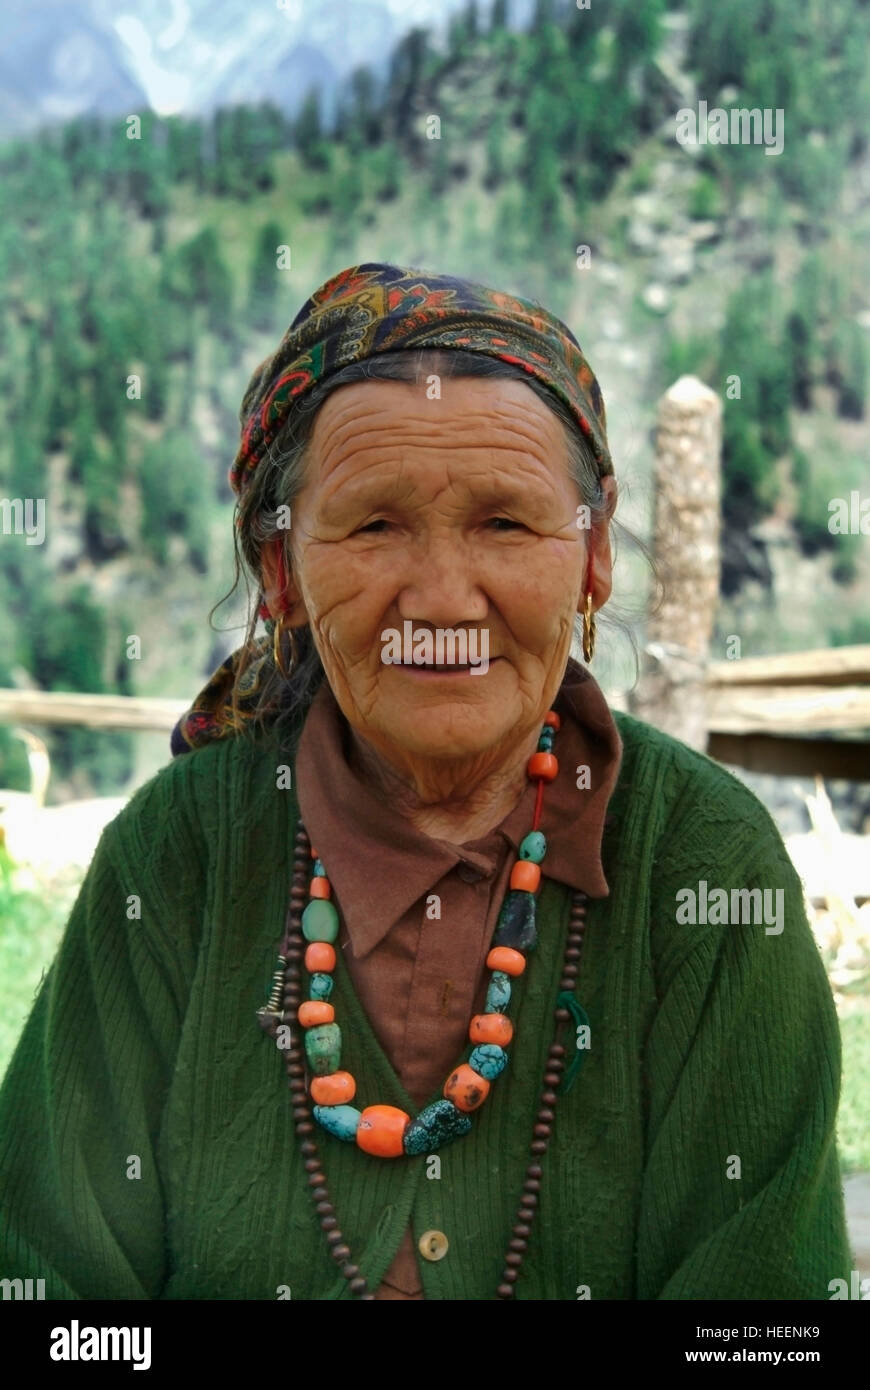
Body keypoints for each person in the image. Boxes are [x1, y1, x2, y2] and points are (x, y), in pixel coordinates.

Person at [0, 262, 852, 1300]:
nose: (443, 595)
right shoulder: (184, 849)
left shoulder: (703, 862)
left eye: (505, 522)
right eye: (373, 525)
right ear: (282, 573)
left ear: (592, 559)